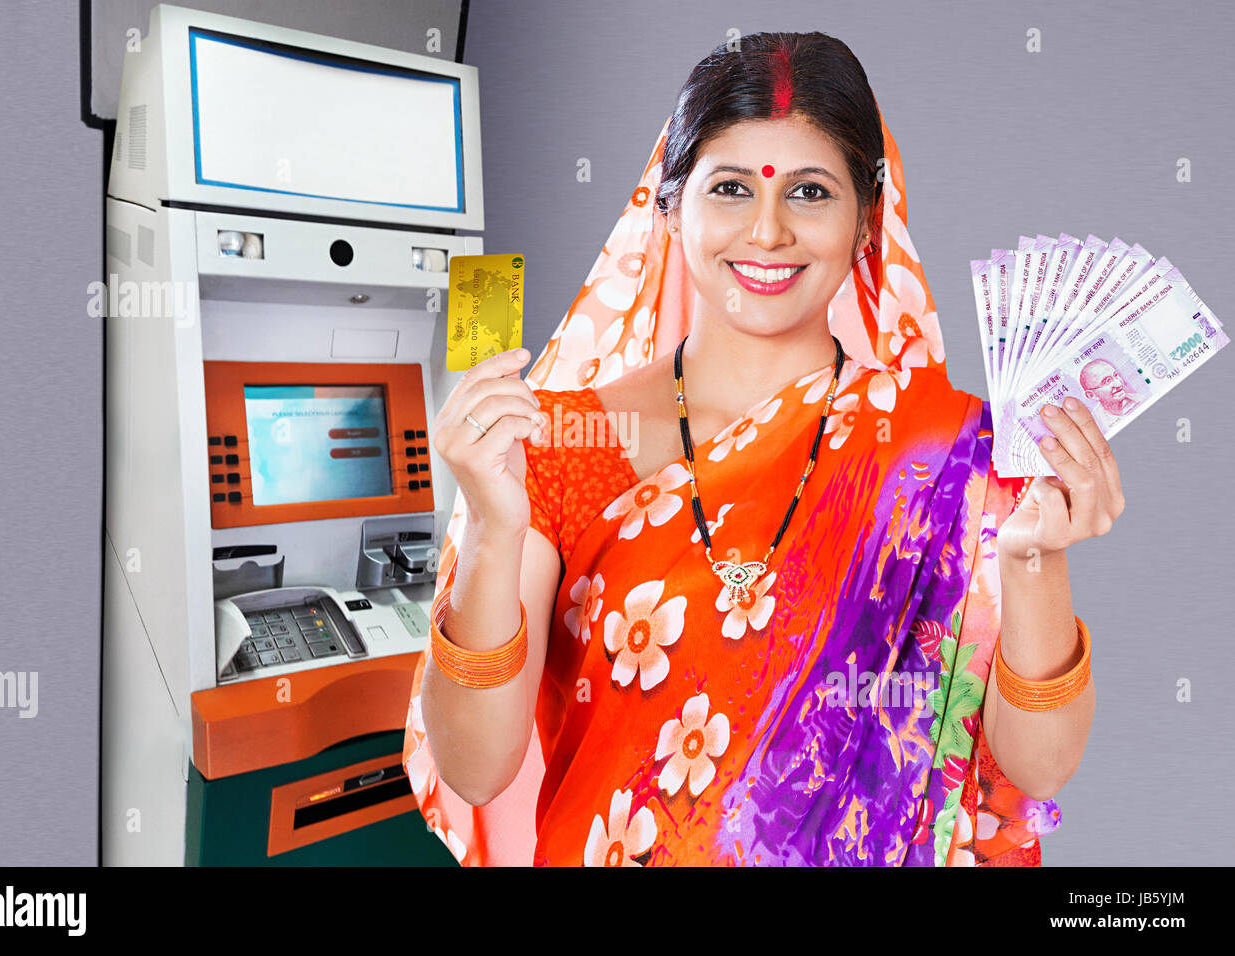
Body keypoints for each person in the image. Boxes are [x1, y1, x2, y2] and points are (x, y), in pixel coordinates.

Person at [404, 31, 1120, 866]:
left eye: (810, 192)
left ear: (867, 222)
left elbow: (1038, 767)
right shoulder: (561, 440)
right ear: (670, 208)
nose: (768, 230)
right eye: (731, 188)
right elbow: (476, 769)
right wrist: (491, 530)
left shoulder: (944, 449)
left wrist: (1035, 563)